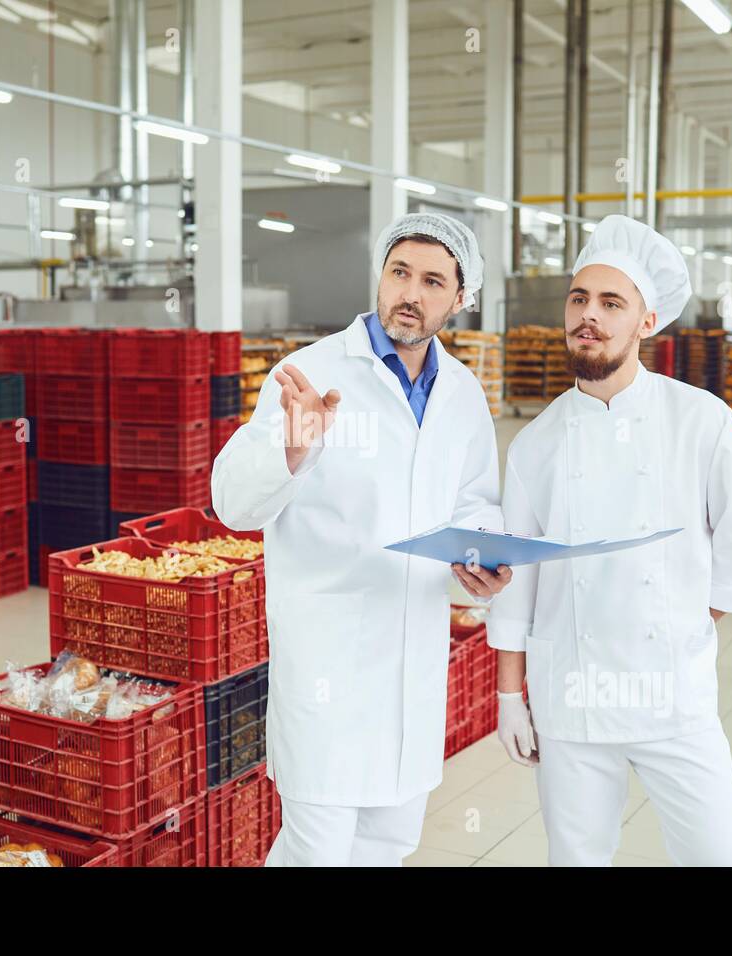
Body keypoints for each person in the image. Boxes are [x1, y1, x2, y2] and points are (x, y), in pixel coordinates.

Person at [212, 212, 511, 866]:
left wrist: (481, 555)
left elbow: (474, 502)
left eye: (433, 281)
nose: (411, 292)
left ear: (460, 299)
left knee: (388, 846)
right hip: (330, 664)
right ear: (380, 277)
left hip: (412, 664)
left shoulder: (461, 393)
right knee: (317, 851)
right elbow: (231, 502)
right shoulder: (310, 376)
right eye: (399, 272)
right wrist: (290, 454)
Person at [488, 214, 732, 866]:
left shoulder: (698, 419)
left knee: (723, 857)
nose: (589, 315)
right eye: (580, 299)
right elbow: (517, 580)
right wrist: (510, 697)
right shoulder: (535, 444)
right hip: (571, 702)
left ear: (646, 322)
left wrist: (687, 617)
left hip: (672, 698)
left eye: (611, 303)